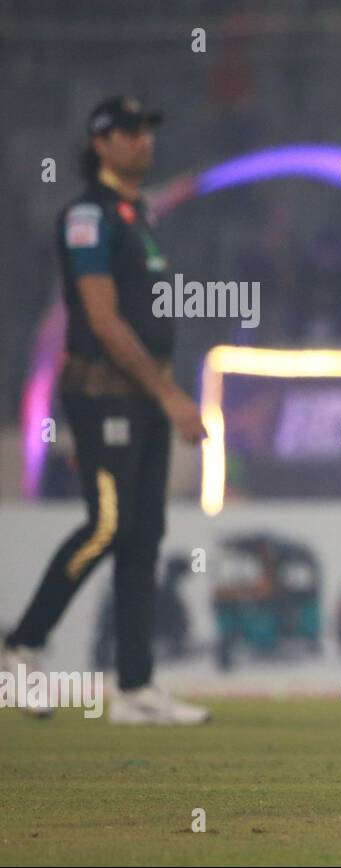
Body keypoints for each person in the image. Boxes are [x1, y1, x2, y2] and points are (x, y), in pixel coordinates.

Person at [0, 96, 209, 724]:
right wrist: (170, 394)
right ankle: (20, 647)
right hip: (103, 395)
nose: (142, 140)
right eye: (128, 132)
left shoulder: (135, 216)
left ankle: (136, 688)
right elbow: (101, 319)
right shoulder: (89, 215)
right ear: (100, 144)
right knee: (107, 525)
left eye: (146, 130)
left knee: (143, 538)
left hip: (140, 398)